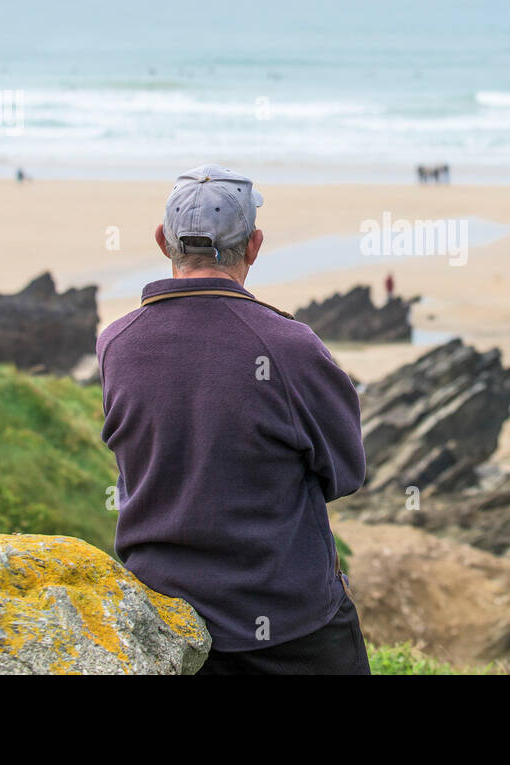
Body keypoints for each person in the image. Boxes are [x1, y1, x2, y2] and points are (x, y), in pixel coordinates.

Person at [96, 164, 370, 674]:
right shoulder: (290, 347)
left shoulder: (116, 343)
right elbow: (346, 473)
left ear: (163, 241)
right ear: (255, 245)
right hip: (290, 625)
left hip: (168, 618)